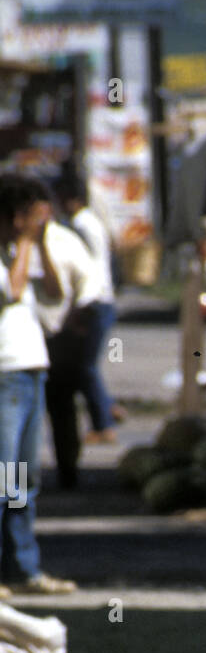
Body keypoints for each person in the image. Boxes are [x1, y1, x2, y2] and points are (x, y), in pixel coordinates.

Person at [0, 174, 76, 597]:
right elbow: (11, 293)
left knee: (25, 481)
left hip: (31, 370)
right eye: (33, 220)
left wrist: (40, 244)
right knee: (3, 478)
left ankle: (23, 569)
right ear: (15, 217)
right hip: (5, 373)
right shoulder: (7, 258)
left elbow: (54, 294)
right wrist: (27, 243)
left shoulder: (19, 253)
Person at [48, 172, 118, 461]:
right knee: (81, 369)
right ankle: (104, 414)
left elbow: (85, 269)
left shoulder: (81, 225)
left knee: (84, 368)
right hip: (94, 301)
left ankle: (104, 421)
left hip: (92, 303)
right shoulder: (85, 223)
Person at [33, 195, 101, 488]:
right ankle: (17, 500)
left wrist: (78, 315)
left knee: (62, 407)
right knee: (17, 428)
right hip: (14, 356)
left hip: (57, 338)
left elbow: (78, 285)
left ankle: (67, 469)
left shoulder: (64, 241)